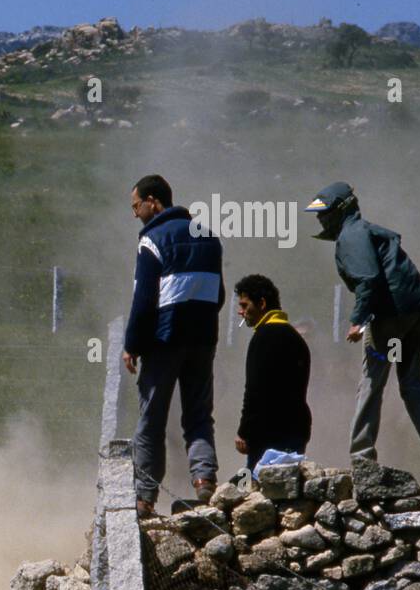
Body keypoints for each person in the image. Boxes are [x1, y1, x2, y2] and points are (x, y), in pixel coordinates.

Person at [306, 181, 420, 469]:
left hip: (390, 317)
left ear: (340, 210)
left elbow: (368, 278)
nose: (320, 219)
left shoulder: (351, 236)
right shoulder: (366, 230)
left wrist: (357, 320)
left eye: (324, 212)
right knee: (412, 382)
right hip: (419, 310)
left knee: (372, 381)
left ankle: (362, 456)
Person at [121, 174, 224, 516]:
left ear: (153, 201)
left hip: (164, 340)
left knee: (152, 417)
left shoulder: (151, 240)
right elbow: (219, 295)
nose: (135, 213)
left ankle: (145, 497)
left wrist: (132, 344)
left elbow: (143, 300)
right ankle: (204, 478)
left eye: (136, 205)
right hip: (203, 339)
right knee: (198, 414)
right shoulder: (209, 237)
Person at [232, 275, 311, 471]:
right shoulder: (295, 338)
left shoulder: (263, 337)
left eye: (244, 305)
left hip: (268, 436)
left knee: (259, 495)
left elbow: (254, 390)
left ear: (262, 303)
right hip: (297, 432)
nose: (241, 312)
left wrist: (244, 431)